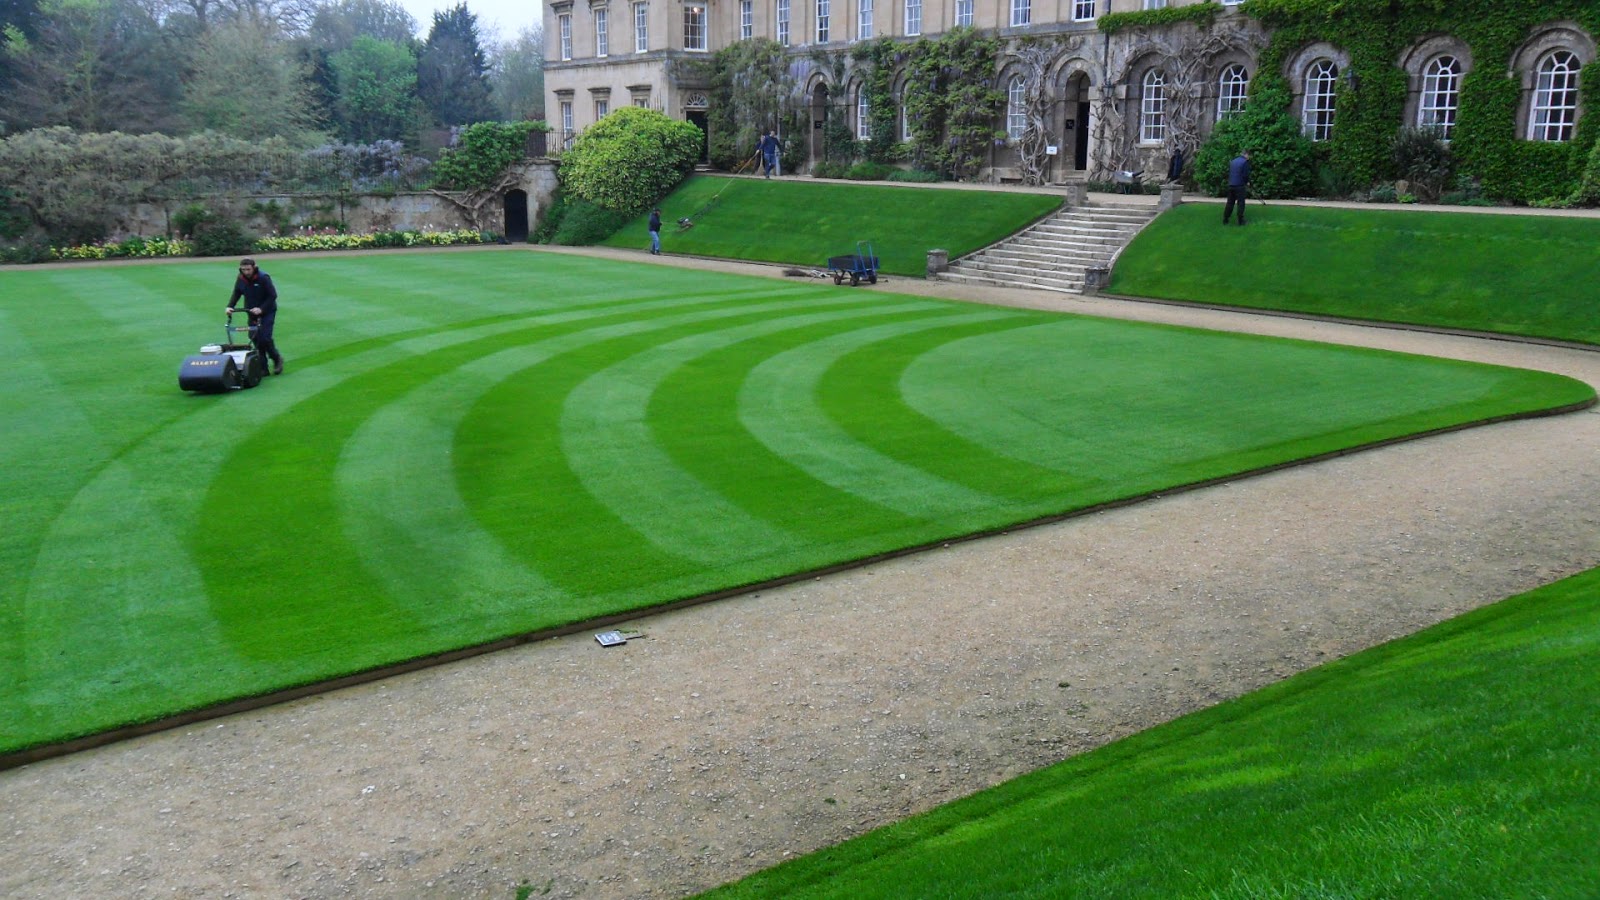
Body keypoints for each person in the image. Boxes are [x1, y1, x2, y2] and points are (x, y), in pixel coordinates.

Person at [225, 257, 284, 375]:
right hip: (250, 311)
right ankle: (263, 368)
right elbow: (237, 292)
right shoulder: (241, 278)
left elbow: (272, 295)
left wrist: (261, 309)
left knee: (265, 338)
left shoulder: (263, 278)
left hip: (267, 311)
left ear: (254, 267)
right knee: (256, 338)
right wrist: (230, 306)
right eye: (243, 269)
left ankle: (277, 359)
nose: (246, 272)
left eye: (248, 269)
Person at [1223, 150, 1250, 226]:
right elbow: (1245, 175)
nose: (1249, 158)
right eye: (1249, 156)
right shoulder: (1244, 162)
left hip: (1231, 184)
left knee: (1230, 202)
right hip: (1240, 185)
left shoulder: (1233, 161)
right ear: (1246, 155)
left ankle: (1225, 219)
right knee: (1241, 203)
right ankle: (1240, 220)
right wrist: (1247, 182)